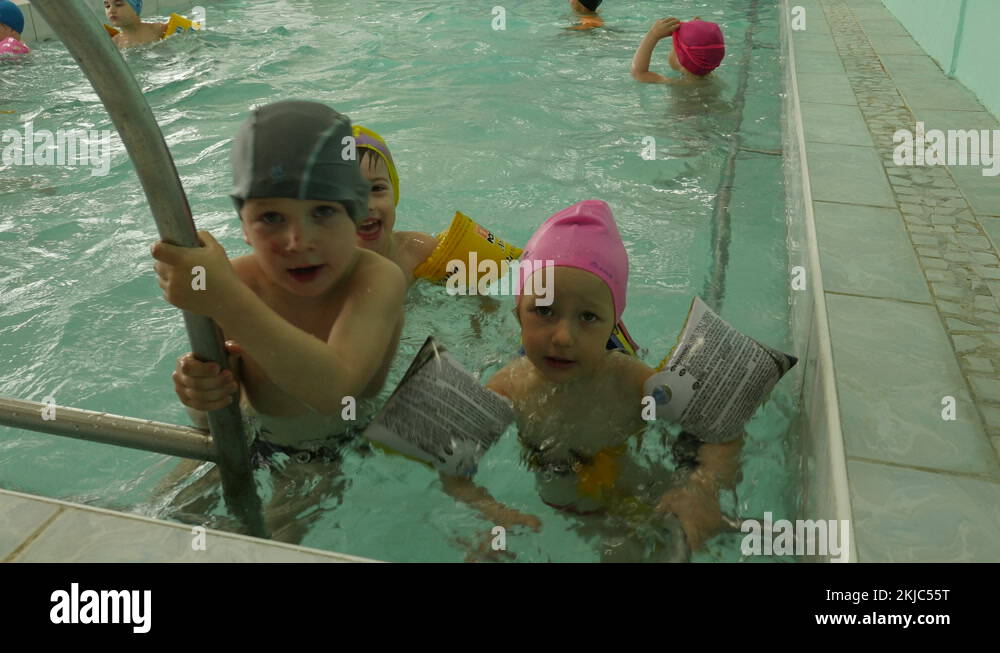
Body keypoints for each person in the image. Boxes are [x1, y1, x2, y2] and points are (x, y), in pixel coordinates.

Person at [477, 200, 741, 558]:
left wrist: (702, 488)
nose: (563, 337)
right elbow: (448, 458)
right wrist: (488, 511)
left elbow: (720, 425)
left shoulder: (631, 381)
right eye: (543, 310)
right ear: (519, 314)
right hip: (543, 510)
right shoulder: (507, 386)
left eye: (587, 317)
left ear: (613, 325)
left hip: (630, 504)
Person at [353, 125, 438, 285]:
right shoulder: (321, 273)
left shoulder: (420, 252)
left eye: (377, 188)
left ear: (394, 193)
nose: (367, 205)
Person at [631, 17, 725, 84]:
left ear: (680, 60)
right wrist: (696, 28)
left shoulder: (677, 84)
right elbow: (707, 47)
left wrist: (653, 35)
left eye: (673, 47)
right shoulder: (713, 81)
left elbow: (639, 73)